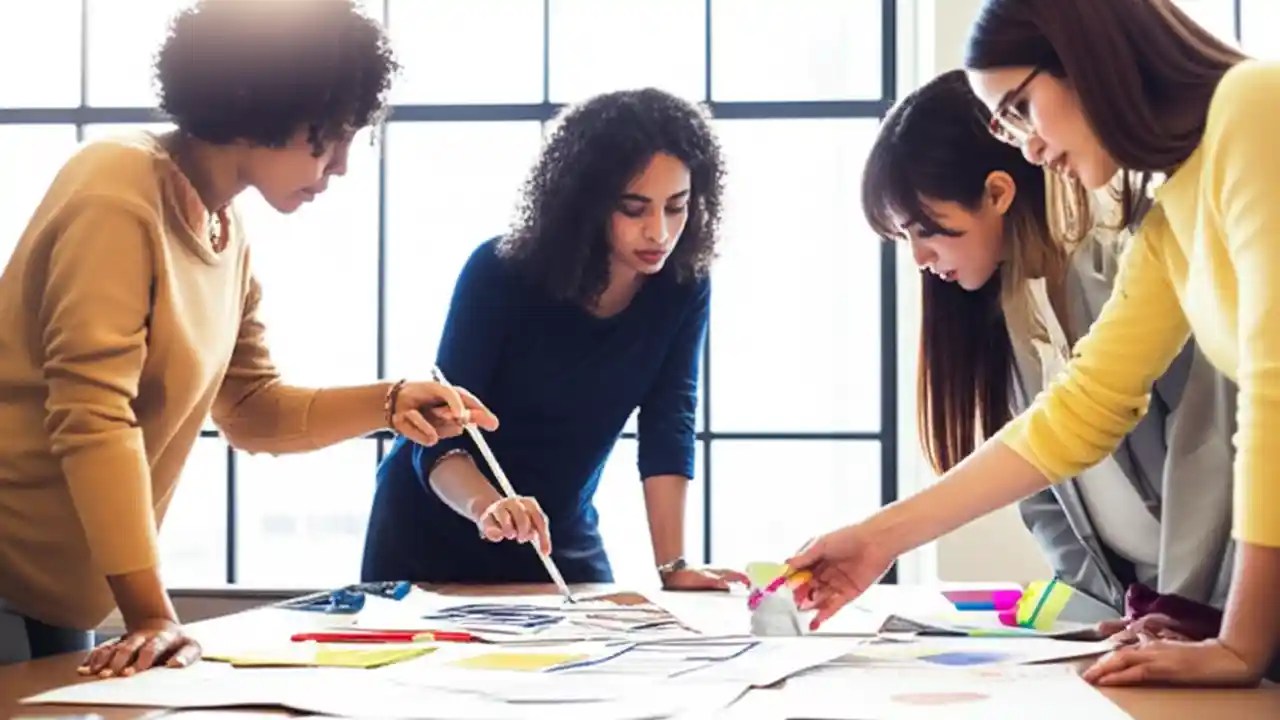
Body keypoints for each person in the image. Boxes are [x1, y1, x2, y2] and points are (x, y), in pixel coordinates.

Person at [789, 0, 1280, 687]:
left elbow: (1273, 398)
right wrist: (879, 538)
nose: (1025, 147)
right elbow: (1082, 409)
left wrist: (1241, 640)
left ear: (1088, 60)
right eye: (1004, 124)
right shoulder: (1171, 218)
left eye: (1020, 108)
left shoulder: (1253, 105)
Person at [0, 0, 497, 676]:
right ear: (263, 103)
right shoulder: (116, 189)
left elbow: (253, 411)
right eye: (335, 133)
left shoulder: (223, 231)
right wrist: (152, 614)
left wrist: (393, 402)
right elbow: (92, 416)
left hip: (58, 592)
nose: (345, 164)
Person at [862, 69, 1236, 622]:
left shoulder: (1131, 263)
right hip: (1141, 613)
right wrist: (1096, 612)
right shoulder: (1007, 318)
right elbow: (1044, 500)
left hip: (1220, 604)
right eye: (905, 236)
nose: (919, 259)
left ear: (997, 192)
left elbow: (1208, 452)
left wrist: (1179, 612)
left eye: (926, 229)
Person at [362, 88, 747, 592]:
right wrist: (491, 508)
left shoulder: (682, 287)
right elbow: (441, 431)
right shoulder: (500, 271)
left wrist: (673, 567)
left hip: (555, 534)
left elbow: (668, 425)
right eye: (635, 209)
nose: (660, 232)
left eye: (676, 207)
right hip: (436, 522)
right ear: (586, 202)